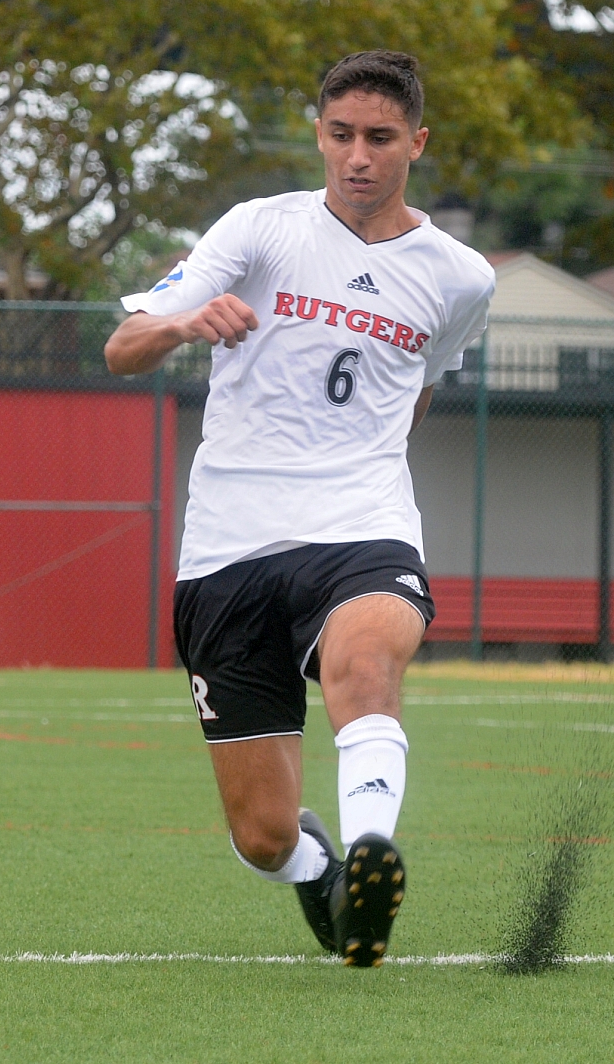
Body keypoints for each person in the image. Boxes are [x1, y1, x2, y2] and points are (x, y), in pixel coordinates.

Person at [103, 51, 493, 965]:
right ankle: (320, 870)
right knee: (263, 838)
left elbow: (417, 391)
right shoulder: (259, 229)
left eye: (380, 138)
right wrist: (183, 322)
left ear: (417, 143)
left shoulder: (462, 277)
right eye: (341, 135)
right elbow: (123, 348)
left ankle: (370, 852)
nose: (358, 156)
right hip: (228, 547)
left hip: (361, 527)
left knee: (365, 667)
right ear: (319, 134)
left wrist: (368, 468)